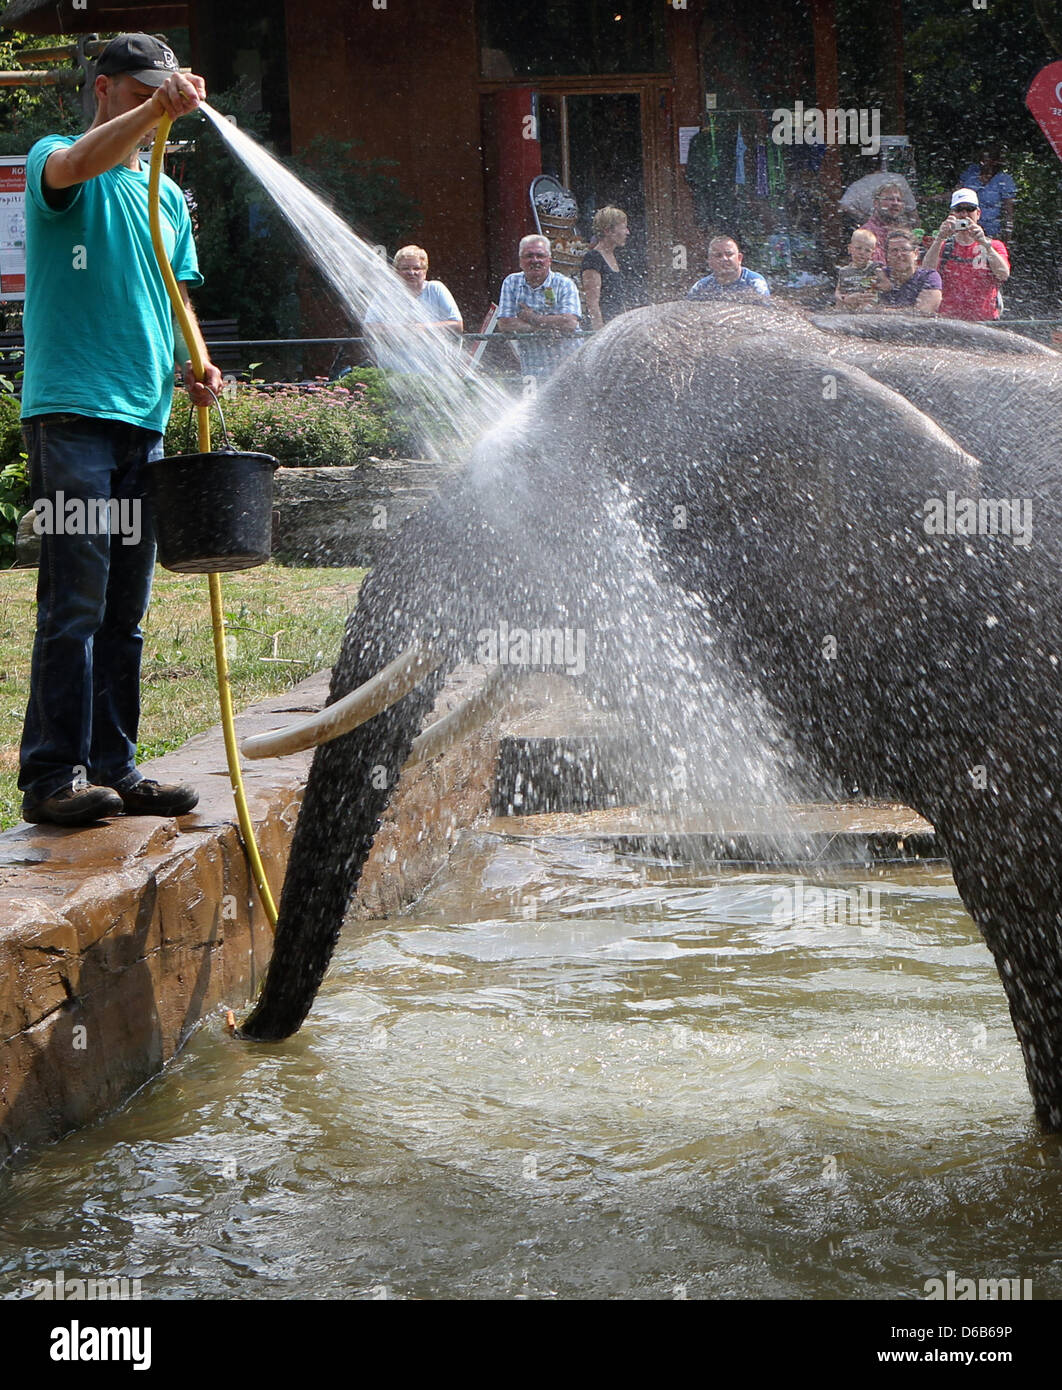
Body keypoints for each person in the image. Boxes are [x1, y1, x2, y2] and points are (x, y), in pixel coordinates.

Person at [18, 33, 222, 827]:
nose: (151, 108)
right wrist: (147, 120)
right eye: (139, 94)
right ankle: (51, 777)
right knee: (75, 599)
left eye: (159, 96)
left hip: (145, 420)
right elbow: (77, 167)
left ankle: (115, 766)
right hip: (72, 415)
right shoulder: (59, 160)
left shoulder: (168, 197)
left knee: (124, 612)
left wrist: (192, 358)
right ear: (105, 89)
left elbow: (170, 289)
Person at [363, 244, 463, 372]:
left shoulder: (436, 289)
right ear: (396, 272)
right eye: (405, 268)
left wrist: (422, 328)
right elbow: (369, 328)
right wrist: (402, 330)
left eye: (417, 268)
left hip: (436, 372)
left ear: (425, 271)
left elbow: (457, 325)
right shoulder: (385, 294)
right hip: (394, 373)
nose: (411, 272)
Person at [497, 234, 581, 382]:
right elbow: (505, 323)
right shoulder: (511, 283)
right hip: (533, 367)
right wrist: (542, 329)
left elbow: (570, 323)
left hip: (568, 364)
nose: (535, 260)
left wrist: (533, 318)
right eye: (529, 256)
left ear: (549, 260)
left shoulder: (564, 284)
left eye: (540, 255)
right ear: (520, 261)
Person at [922, 188, 1009, 322]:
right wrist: (939, 238)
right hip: (949, 322)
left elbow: (1003, 274)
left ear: (978, 213)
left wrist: (984, 244)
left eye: (970, 209)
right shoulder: (943, 247)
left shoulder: (994, 246)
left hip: (985, 322)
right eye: (959, 209)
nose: (964, 214)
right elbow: (926, 272)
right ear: (952, 214)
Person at [581, 207, 630, 330]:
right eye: (623, 227)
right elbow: (592, 303)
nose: (627, 232)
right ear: (608, 231)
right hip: (603, 329)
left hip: (615, 327)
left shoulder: (616, 256)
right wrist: (599, 334)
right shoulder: (593, 258)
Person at [958, 145, 1016, 243]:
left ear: (996, 162)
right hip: (966, 226)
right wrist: (928, 199)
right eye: (982, 160)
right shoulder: (971, 173)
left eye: (988, 160)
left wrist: (1007, 236)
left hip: (991, 231)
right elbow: (955, 195)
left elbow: (1009, 211)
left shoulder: (1004, 180)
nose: (983, 164)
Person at [875, 231, 942, 315]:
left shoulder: (929, 277)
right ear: (887, 256)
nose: (899, 254)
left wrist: (883, 312)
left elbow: (923, 311)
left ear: (916, 253)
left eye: (904, 249)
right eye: (894, 251)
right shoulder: (880, 275)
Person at [686, 235, 770, 300]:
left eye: (729, 254)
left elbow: (764, 313)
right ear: (710, 262)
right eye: (718, 255)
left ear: (739, 258)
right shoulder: (701, 287)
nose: (724, 259)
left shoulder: (754, 282)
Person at [858, 180, 914, 263]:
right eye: (889, 199)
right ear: (876, 203)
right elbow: (876, 267)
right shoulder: (866, 234)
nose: (895, 203)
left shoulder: (905, 229)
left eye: (899, 200)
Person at [834, 228, 889, 309]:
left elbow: (887, 285)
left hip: (867, 302)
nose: (862, 253)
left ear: (872, 254)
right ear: (850, 249)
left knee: (866, 306)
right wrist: (843, 299)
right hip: (848, 302)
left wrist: (874, 287)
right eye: (858, 248)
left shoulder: (874, 268)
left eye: (867, 250)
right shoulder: (844, 271)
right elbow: (837, 291)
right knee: (839, 306)